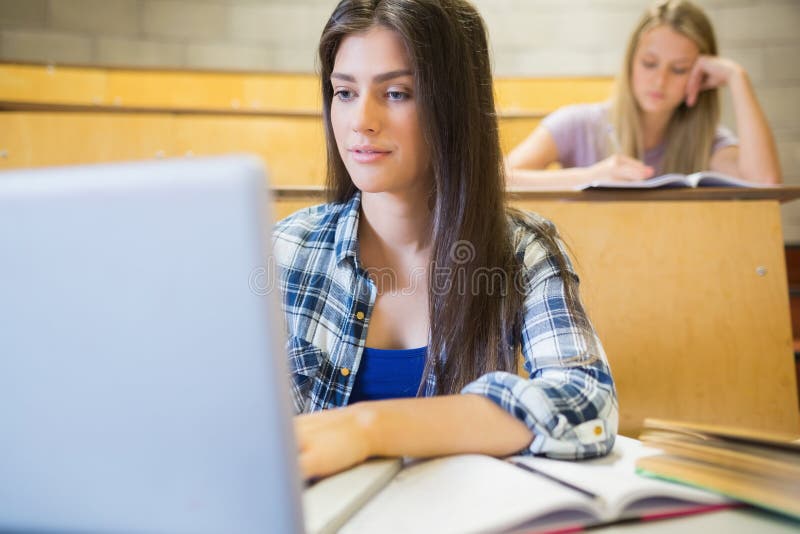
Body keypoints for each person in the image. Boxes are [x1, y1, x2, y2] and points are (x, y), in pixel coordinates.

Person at [272, 0, 618, 481]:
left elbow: (587, 404)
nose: (361, 121)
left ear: (453, 107)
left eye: (396, 93)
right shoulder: (285, 250)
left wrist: (368, 427)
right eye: (344, 92)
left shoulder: (522, 251)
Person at [506, 0, 782, 187]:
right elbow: (498, 180)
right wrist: (591, 177)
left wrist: (737, 77)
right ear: (630, 62)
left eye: (679, 69)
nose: (659, 81)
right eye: (649, 64)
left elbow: (766, 184)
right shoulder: (579, 123)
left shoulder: (708, 141)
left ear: (699, 75)